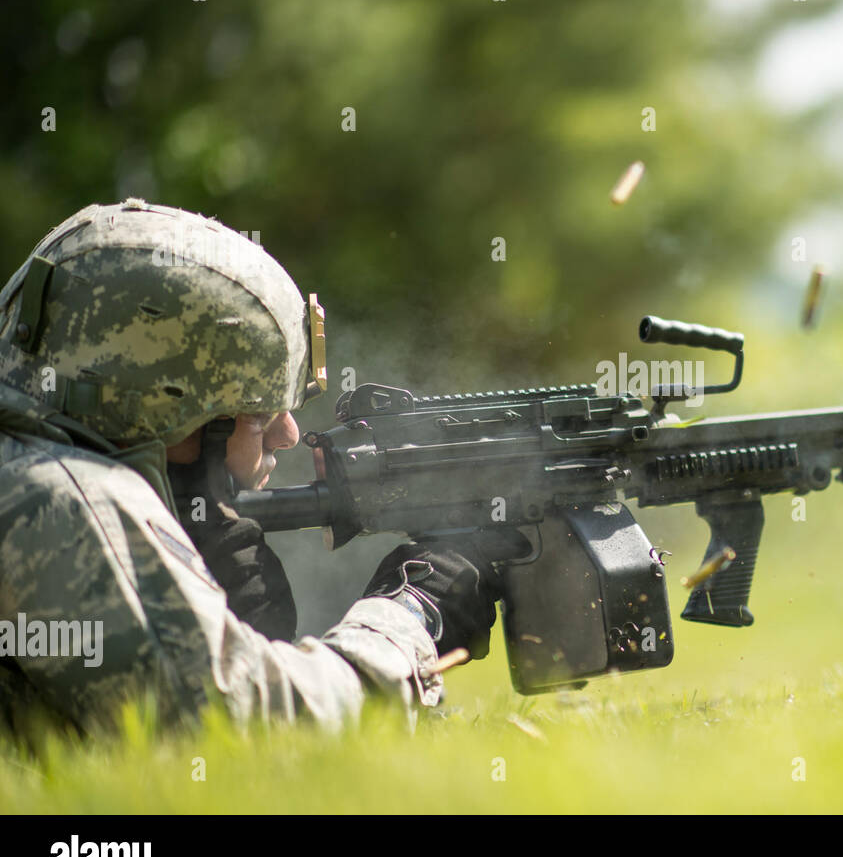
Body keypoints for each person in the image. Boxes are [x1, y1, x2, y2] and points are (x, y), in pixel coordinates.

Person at [0, 199, 515, 739]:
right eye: (259, 415)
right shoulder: (57, 499)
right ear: (165, 414)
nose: (288, 435)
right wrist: (410, 617)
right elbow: (230, 727)